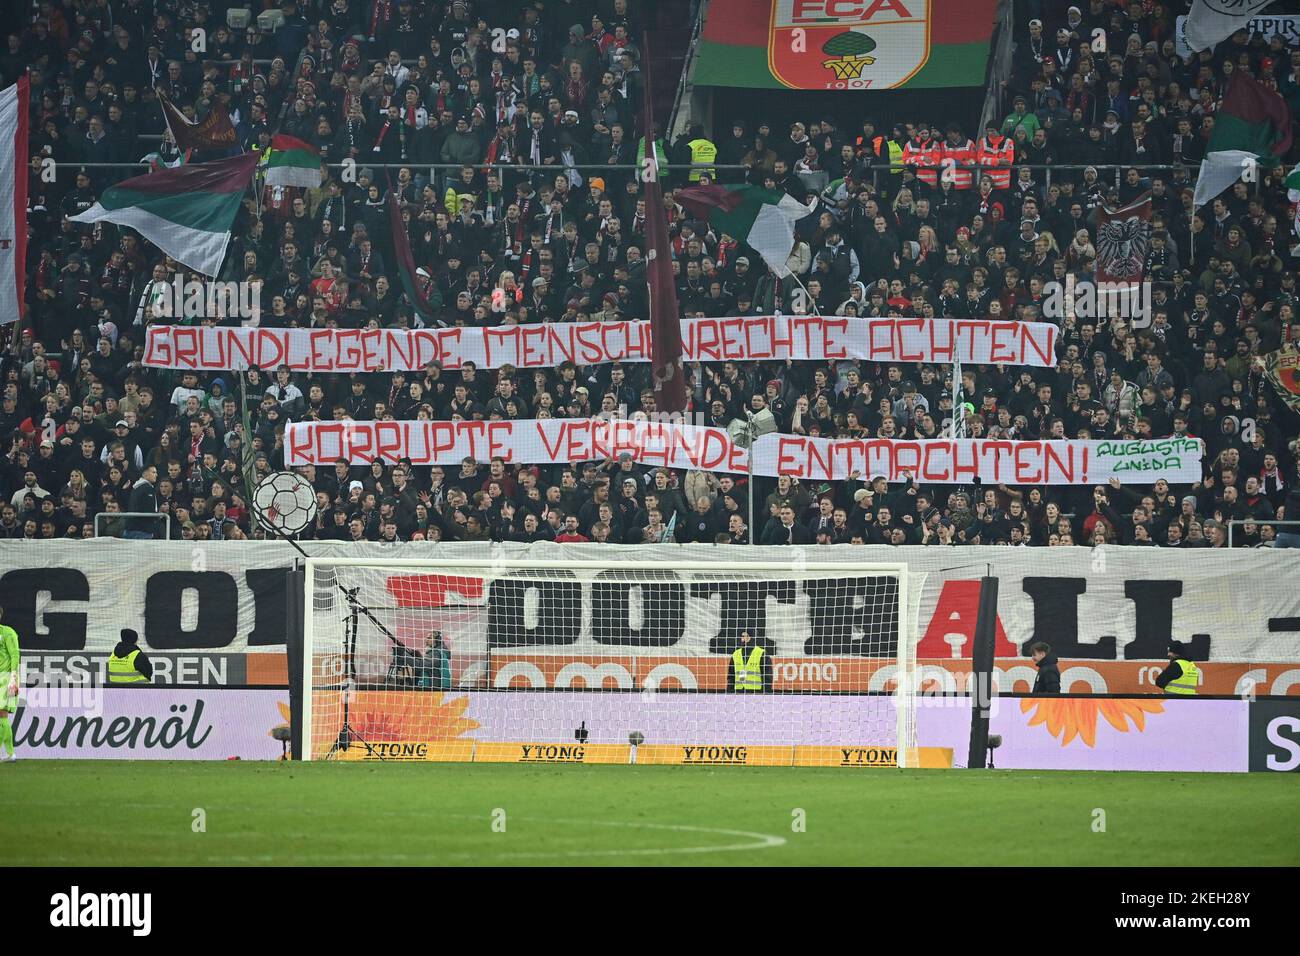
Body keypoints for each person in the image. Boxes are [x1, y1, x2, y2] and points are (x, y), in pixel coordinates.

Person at [0, 607, 18, 761]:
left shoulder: (7, 632)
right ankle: (10, 753)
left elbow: (14, 654)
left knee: (2, 714)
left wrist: (13, 677)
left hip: (5, 678)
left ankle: (10, 753)